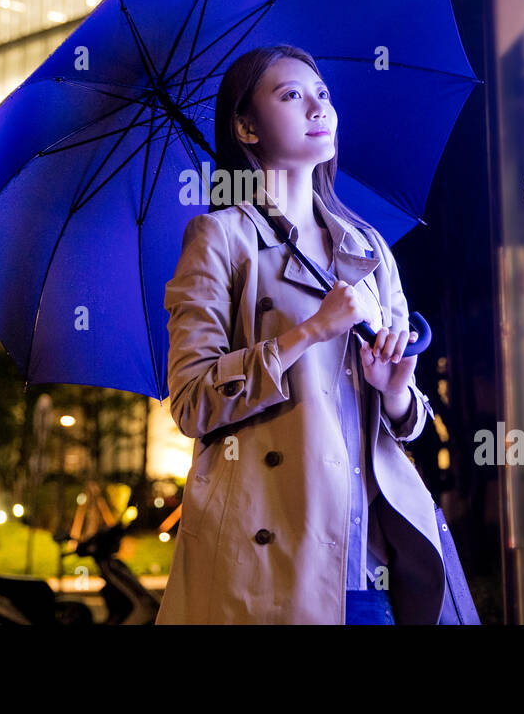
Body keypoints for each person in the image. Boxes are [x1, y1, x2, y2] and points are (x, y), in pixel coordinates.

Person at [156, 44, 478, 625]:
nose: (317, 106)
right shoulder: (219, 238)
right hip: (273, 560)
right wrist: (307, 333)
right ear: (246, 127)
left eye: (322, 94)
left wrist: (396, 390)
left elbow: (409, 423)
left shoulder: (368, 249)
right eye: (290, 96)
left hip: (373, 553)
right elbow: (192, 401)